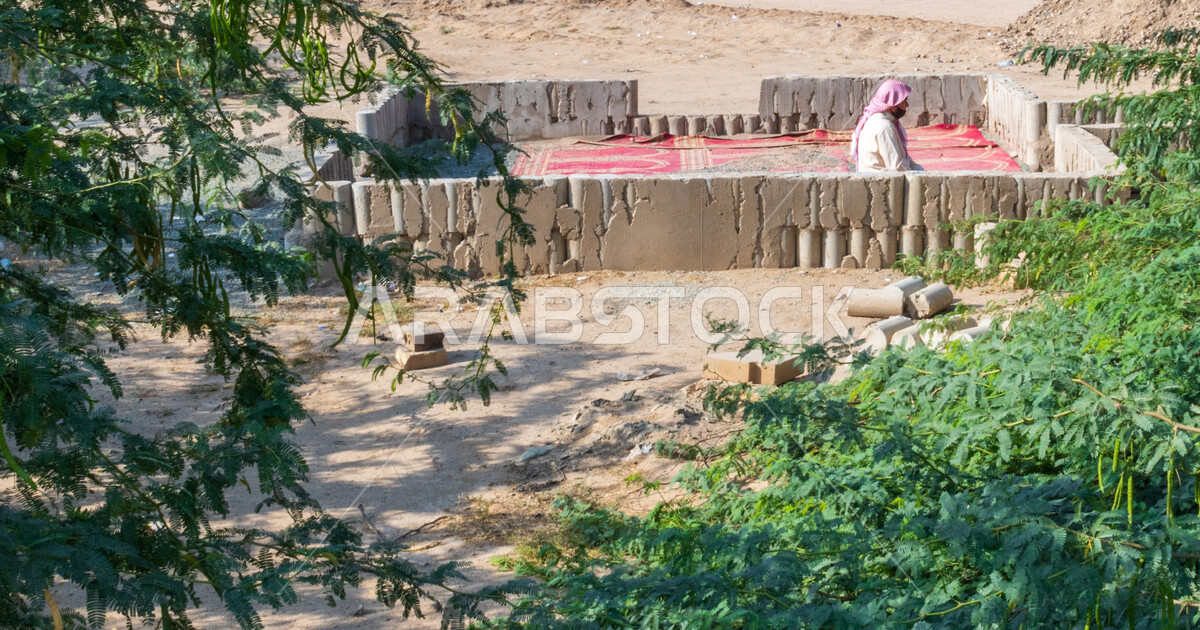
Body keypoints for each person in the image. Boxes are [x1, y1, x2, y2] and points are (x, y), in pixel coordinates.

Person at [851, 79, 923, 172]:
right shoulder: (884, 126)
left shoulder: (881, 119)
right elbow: (896, 167)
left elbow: (901, 158)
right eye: (904, 101)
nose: (907, 105)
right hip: (880, 182)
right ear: (893, 104)